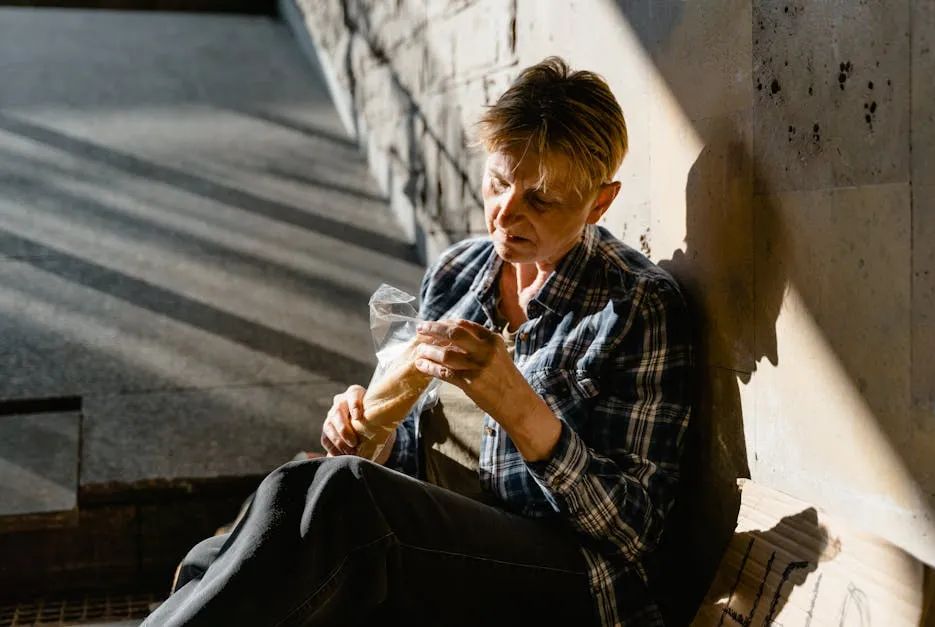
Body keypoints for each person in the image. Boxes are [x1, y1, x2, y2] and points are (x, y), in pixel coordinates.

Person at [143, 56, 693, 627]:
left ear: (599, 203)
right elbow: (411, 459)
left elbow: (636, 531)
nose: (505, 213)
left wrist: (520, 408)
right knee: (276, 503)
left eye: (541, 199)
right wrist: (368, 435)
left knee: (345, 499)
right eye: (500, 182)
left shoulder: (634, 305)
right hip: (435, 558)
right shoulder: (458, 272)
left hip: (566, 579)